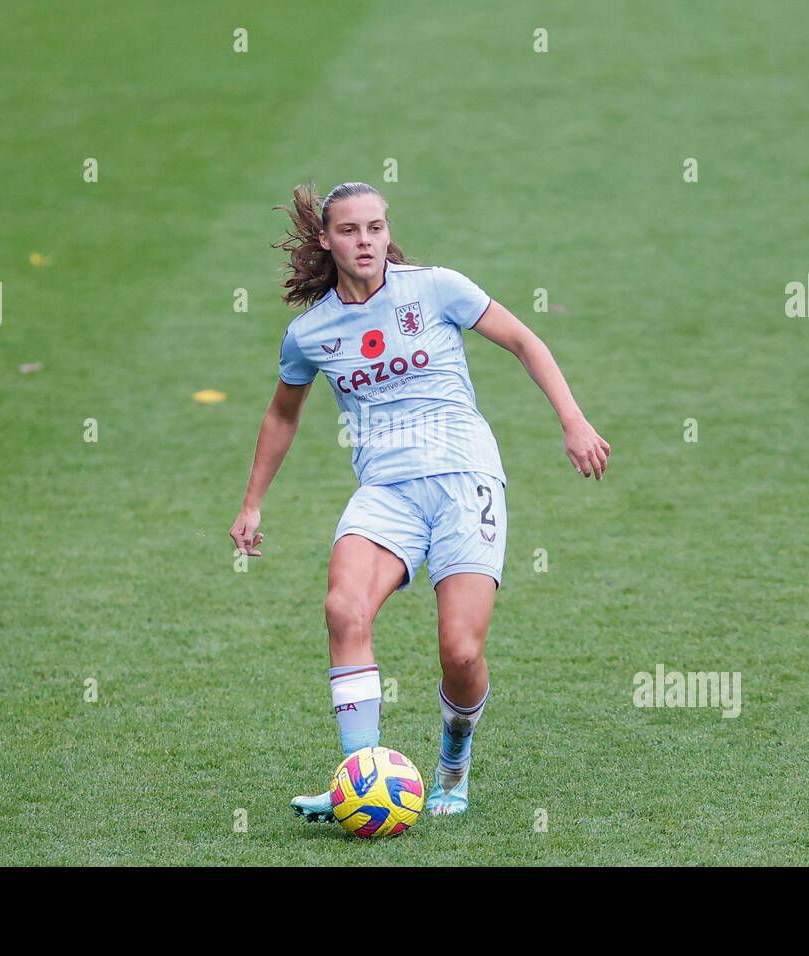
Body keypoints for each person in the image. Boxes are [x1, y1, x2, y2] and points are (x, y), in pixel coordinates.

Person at [229, 181, 610, 822]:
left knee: (461, 653)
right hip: (385, 492)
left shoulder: (435, 288)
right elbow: (282, 415)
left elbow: (524, 340)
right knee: (344, 607)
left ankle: (453, 766)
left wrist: (573, 422)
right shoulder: (311, 332)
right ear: (327, 240)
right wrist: (252, 504)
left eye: (375, 228)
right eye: (350, 231)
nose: (365, 241)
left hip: (466, 479)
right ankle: (361, 778)